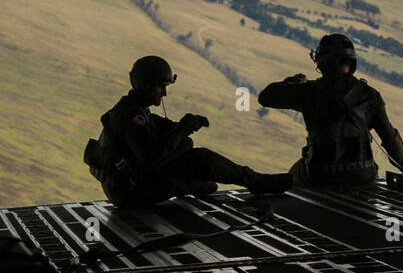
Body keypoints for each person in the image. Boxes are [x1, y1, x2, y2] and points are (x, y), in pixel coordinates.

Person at [85, 55, 290, 206]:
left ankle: (191, 184)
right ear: (146, 86)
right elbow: (151, 157)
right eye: (161, 86)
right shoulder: (132, 116)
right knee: (201, 159)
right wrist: (183, 130)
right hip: (133, 192)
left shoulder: (133, 110)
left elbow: (159, 131)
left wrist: (183, 128)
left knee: (204, 179)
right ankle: (256, 181)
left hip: (126, 188)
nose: (164, 93)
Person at [258, 34, 403, 187]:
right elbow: (388, 135)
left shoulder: (308, 91)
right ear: (351, 63)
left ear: (324, 62)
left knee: (294, 174)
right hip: (363, 175)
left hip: (322, 174)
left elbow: (265, 97)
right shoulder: (371, 95)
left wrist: (292, 82)